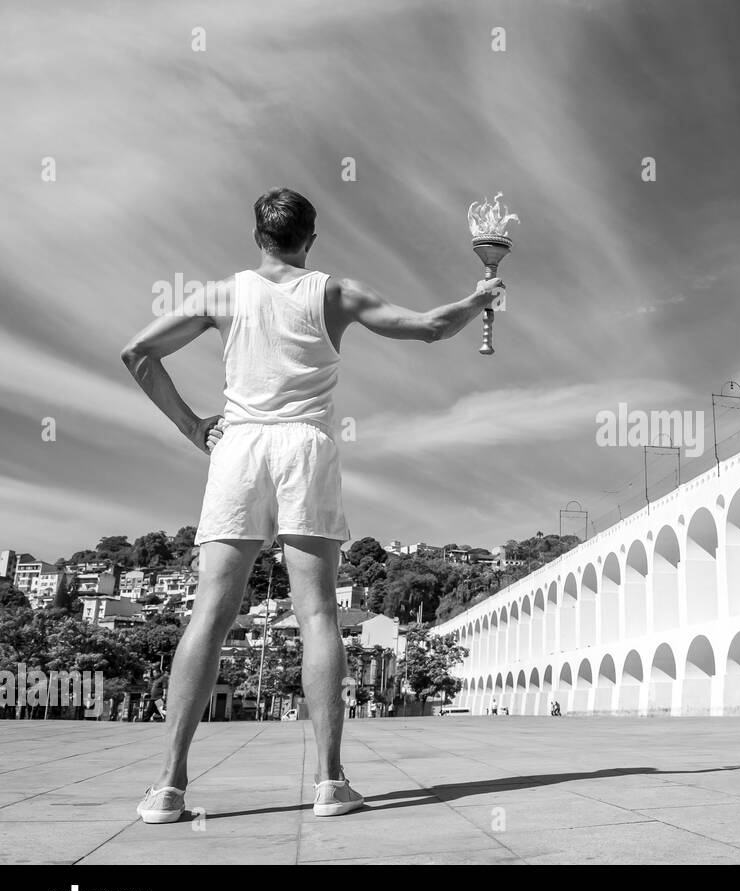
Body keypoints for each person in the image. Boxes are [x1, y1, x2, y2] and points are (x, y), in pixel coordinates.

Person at [121, 187, 504, 824]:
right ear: (312, 238)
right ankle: (330, 783)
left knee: (209, 615)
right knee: (319, 615)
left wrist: (194, 429)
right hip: (305, 450)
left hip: (238, 450)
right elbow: (430, 329)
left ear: (257, 237)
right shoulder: (333, 293)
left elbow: (137, 354)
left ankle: (167, 789)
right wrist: (477, 299)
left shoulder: (221, 294)